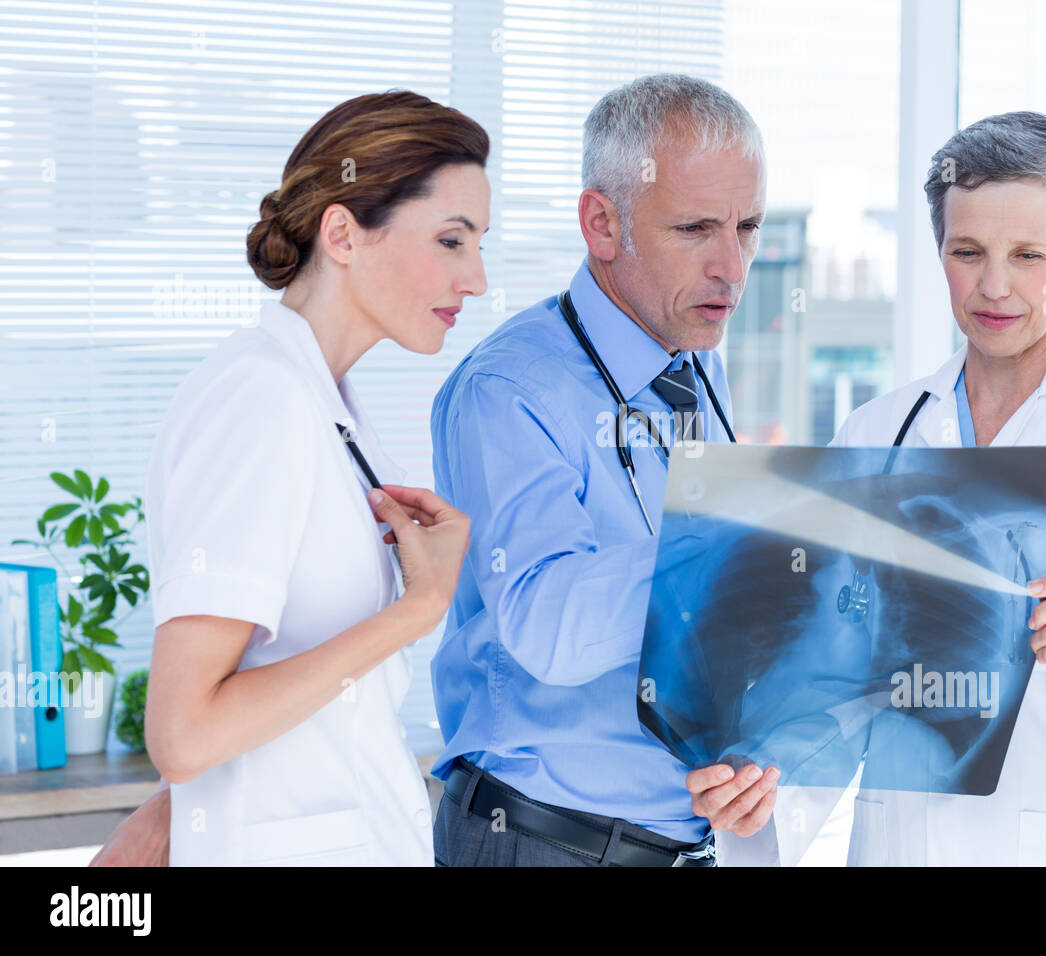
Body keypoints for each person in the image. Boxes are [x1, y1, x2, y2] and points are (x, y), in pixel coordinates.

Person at [718, 111, 1046, 867]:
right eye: (968, 252)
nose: (994, 286)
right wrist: (760, 792)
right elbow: (828, 678)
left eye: (1029, 254)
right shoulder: (876, 436)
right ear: (939, 252)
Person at [89, 90, 486, 865]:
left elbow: (264, 693)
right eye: (450, 240)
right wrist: (419, 608)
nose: (473, 279)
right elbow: (184, 733)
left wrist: (178, 807)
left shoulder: (323, 405)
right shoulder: (259, 399)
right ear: (342, 232)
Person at [428, 74, 778, 866]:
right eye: (695, 229)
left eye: (748, 227)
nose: (734, 266)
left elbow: (707, 626)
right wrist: (735, 546)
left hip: (684, 842)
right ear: (602, 224)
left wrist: (751, 750)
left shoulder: (699, 369)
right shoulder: (511, 388)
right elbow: (548, 625)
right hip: (546, 842)